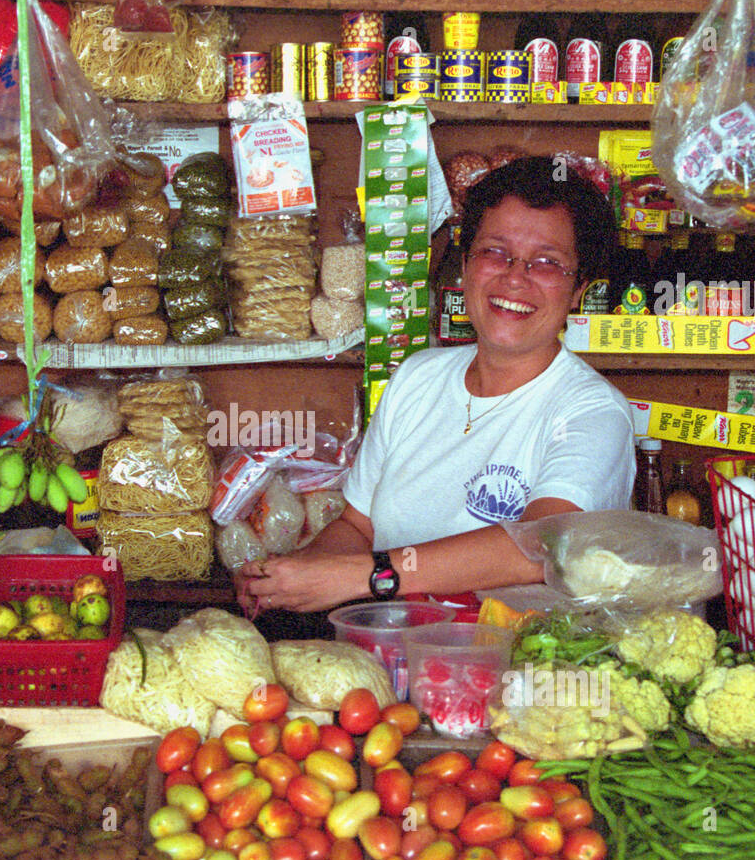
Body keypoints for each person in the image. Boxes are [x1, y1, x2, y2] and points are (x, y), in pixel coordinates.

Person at [235, 155, 636, 614]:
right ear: (464, 267)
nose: (515, 276)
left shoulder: (593, 411)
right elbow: (357, 526)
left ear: (579, 289)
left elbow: (544, 546)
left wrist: (370, 576)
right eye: (494, 252)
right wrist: (291, 578)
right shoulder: (417, 377)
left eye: (546, 263)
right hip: (384, 656)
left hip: (515, 671)